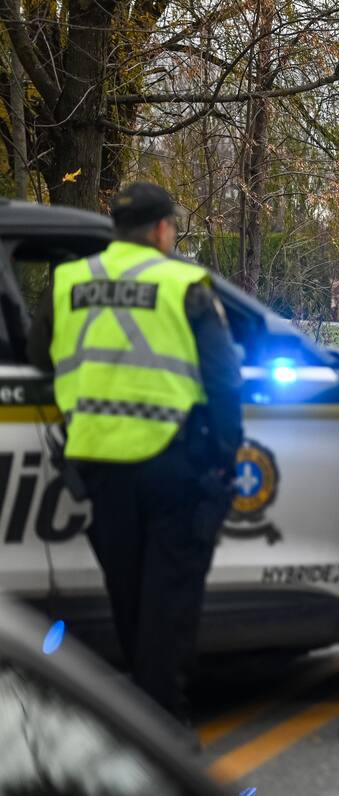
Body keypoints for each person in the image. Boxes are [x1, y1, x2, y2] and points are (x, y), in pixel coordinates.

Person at [27, 182, 243, 724]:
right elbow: (223, 380)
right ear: (162, 230)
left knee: (128, 594)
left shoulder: (70, 281)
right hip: (173, 463)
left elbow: (39, 356)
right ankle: (163, 727)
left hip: (98, 465)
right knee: (168, 602)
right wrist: (225, 452)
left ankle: (145, 717)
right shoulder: (184, 283)